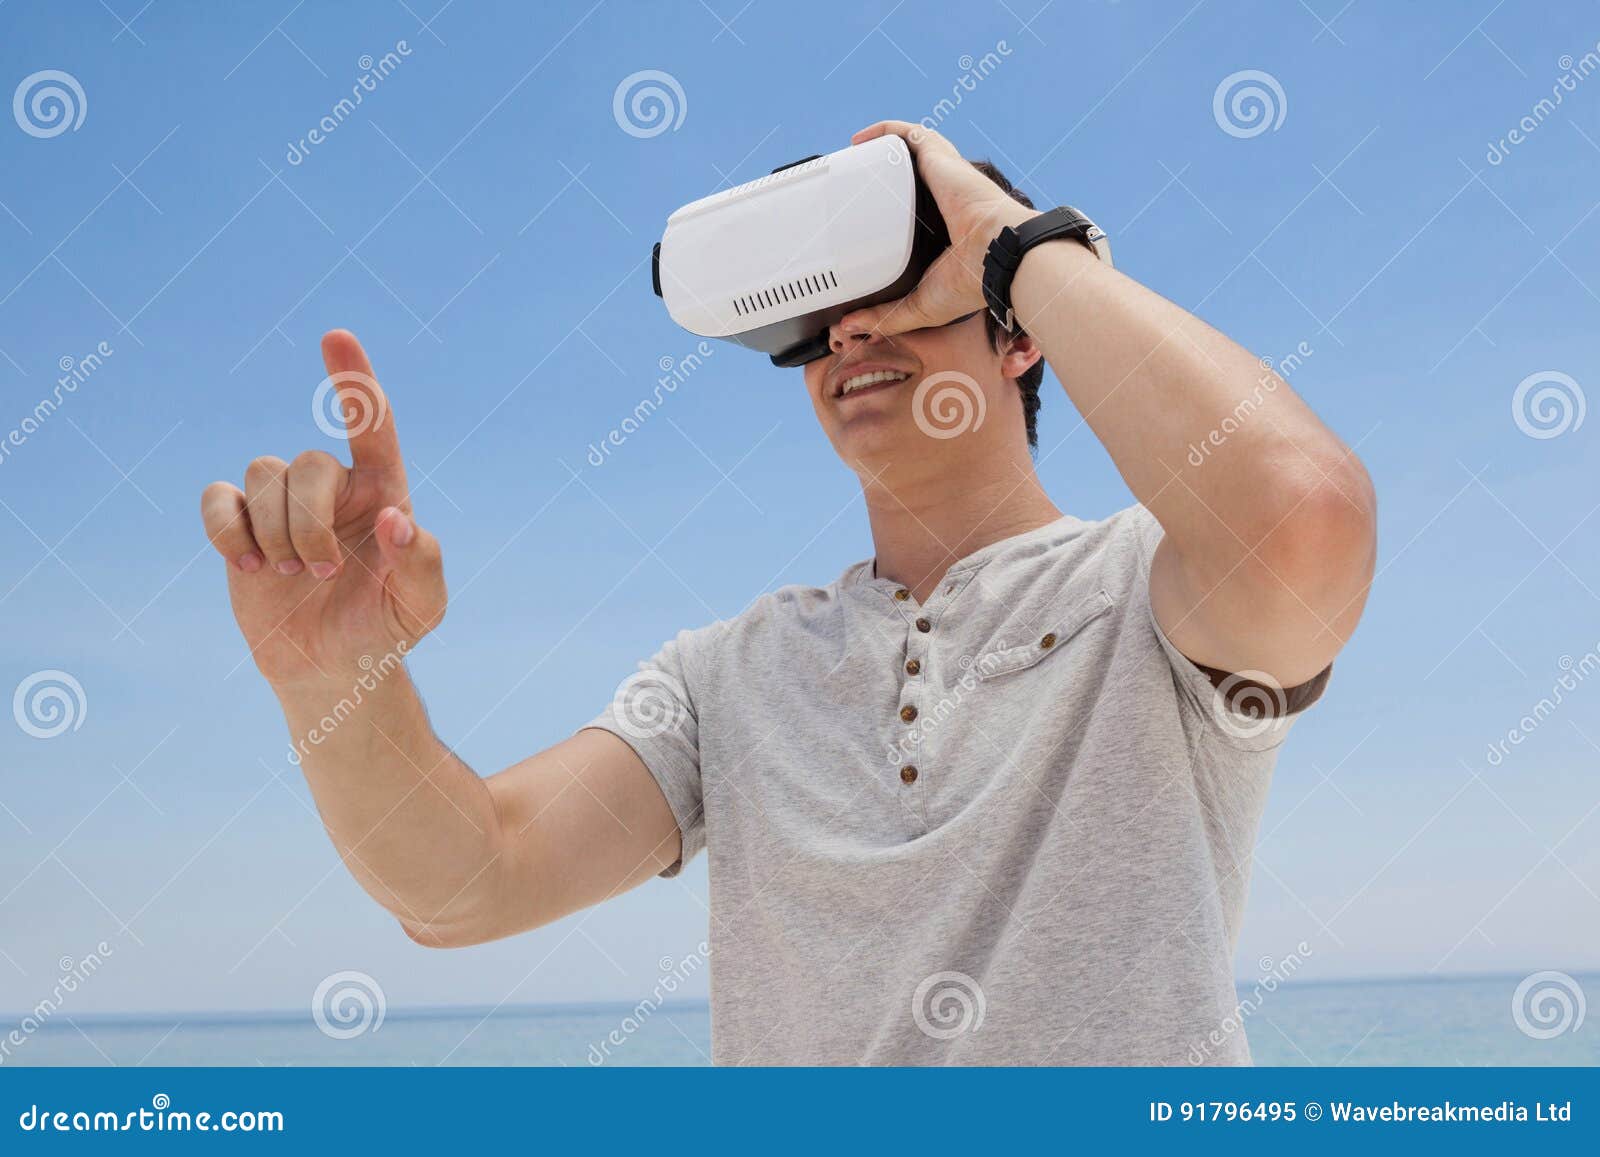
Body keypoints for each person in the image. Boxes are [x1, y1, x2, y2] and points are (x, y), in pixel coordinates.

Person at [200, 121, 1376, 1064]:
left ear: (1019, 333)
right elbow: (463, 882)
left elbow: (1301, 518)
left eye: (905, 281)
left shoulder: (1152, 596)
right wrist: (331, 674)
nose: (850, 327)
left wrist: (1008, 241)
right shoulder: (730, 676)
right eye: (814, 312)